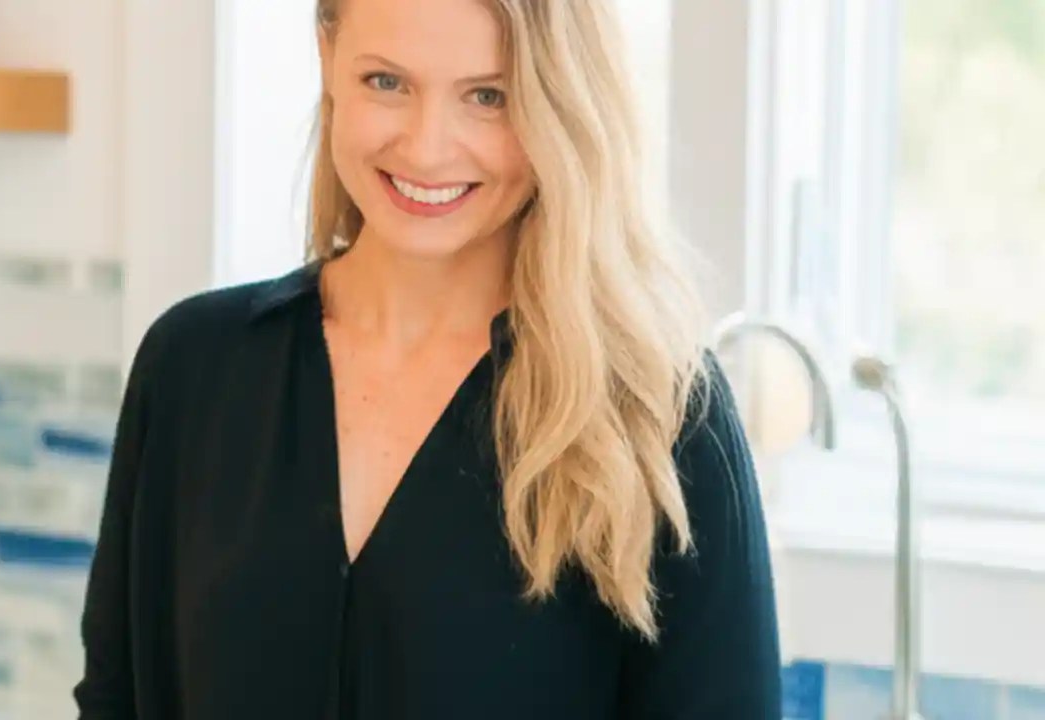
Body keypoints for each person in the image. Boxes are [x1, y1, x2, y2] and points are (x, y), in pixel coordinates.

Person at [73, 0, 782, 717]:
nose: (427, 148)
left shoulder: (658, 414)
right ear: (327, 57)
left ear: (560, 104)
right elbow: (116, 699)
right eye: (387, 82)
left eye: (488, 96)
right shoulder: (192, 369)